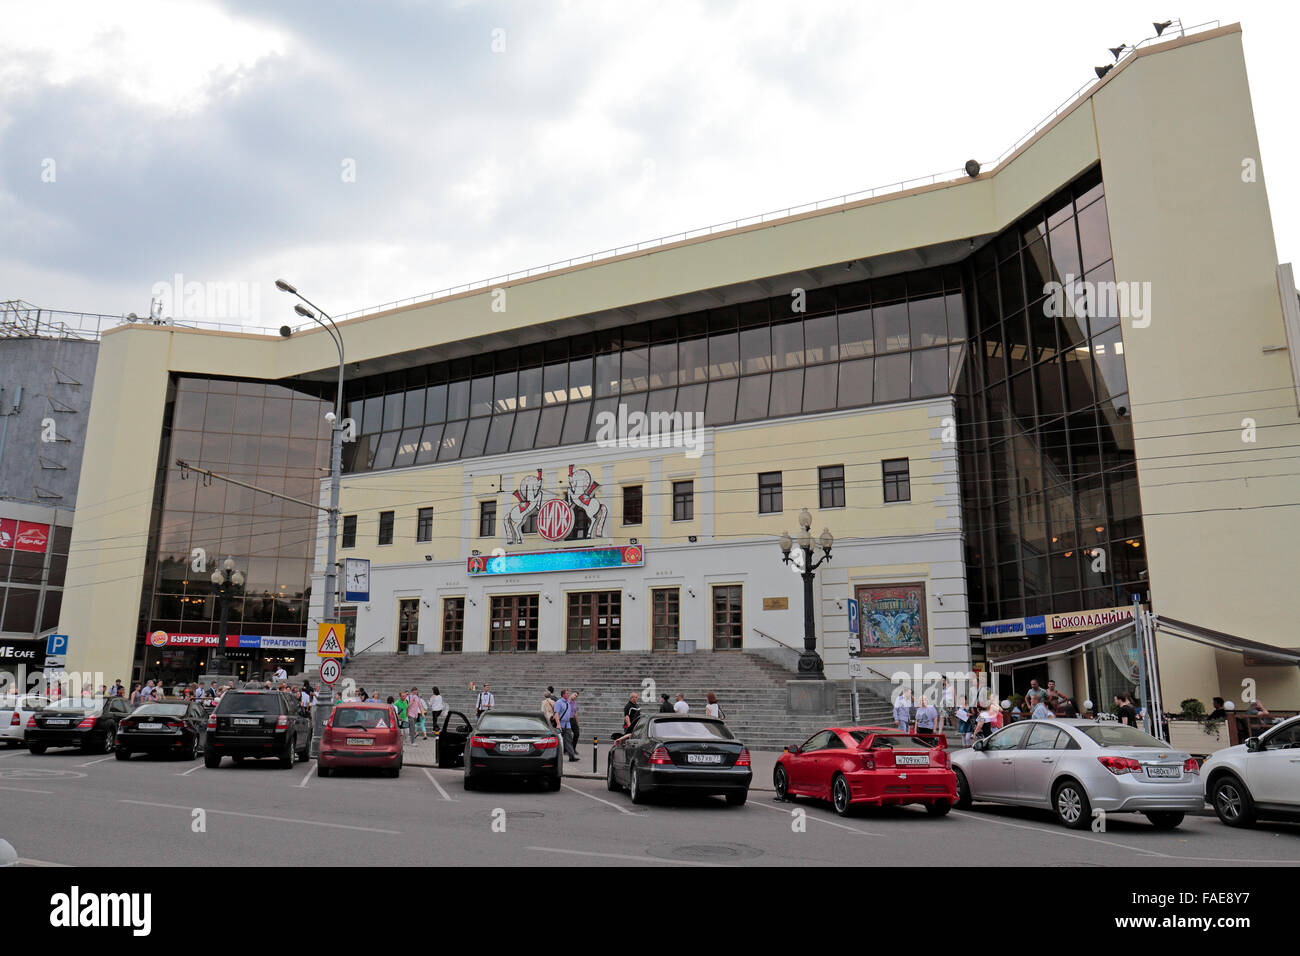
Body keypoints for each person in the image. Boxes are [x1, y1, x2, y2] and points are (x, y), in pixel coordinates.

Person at [556, 690, 578, 761]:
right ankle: (556, 756)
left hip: (567, 724)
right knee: (559, 741)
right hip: (561, 724)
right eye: (567, 693)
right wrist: (558, 724)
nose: (568, 694)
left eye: (568, 693)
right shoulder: (559, 702)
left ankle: (572, 757)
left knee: (569, 740)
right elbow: (556, 714)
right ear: (563, 695)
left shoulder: (568, 703)